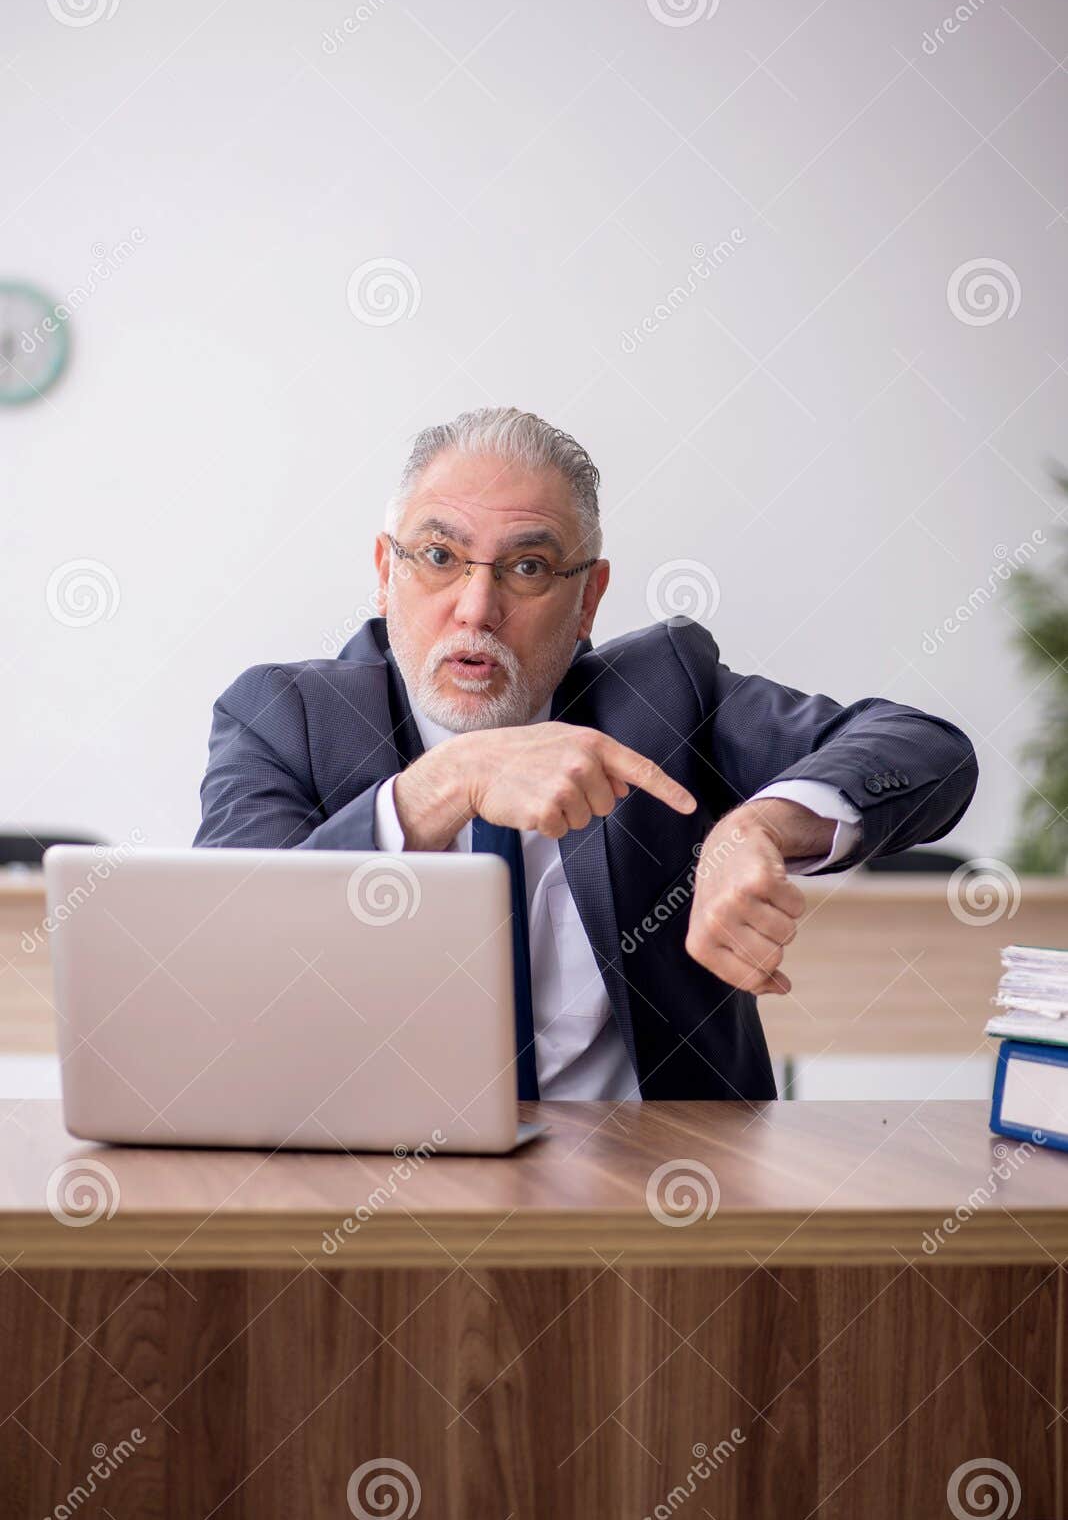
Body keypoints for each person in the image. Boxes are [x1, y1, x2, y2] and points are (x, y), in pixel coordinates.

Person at [195, 407, 977, 1102]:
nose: (476, 609)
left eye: (527, 567)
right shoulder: (281, 717)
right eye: (439, 556)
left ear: (588, 599)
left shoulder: (665, 697)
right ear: (383, 571)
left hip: (655, 1193)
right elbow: (226, 954)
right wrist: (441, 786)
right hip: (369, 1196)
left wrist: (761, 827)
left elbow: (925, 750)